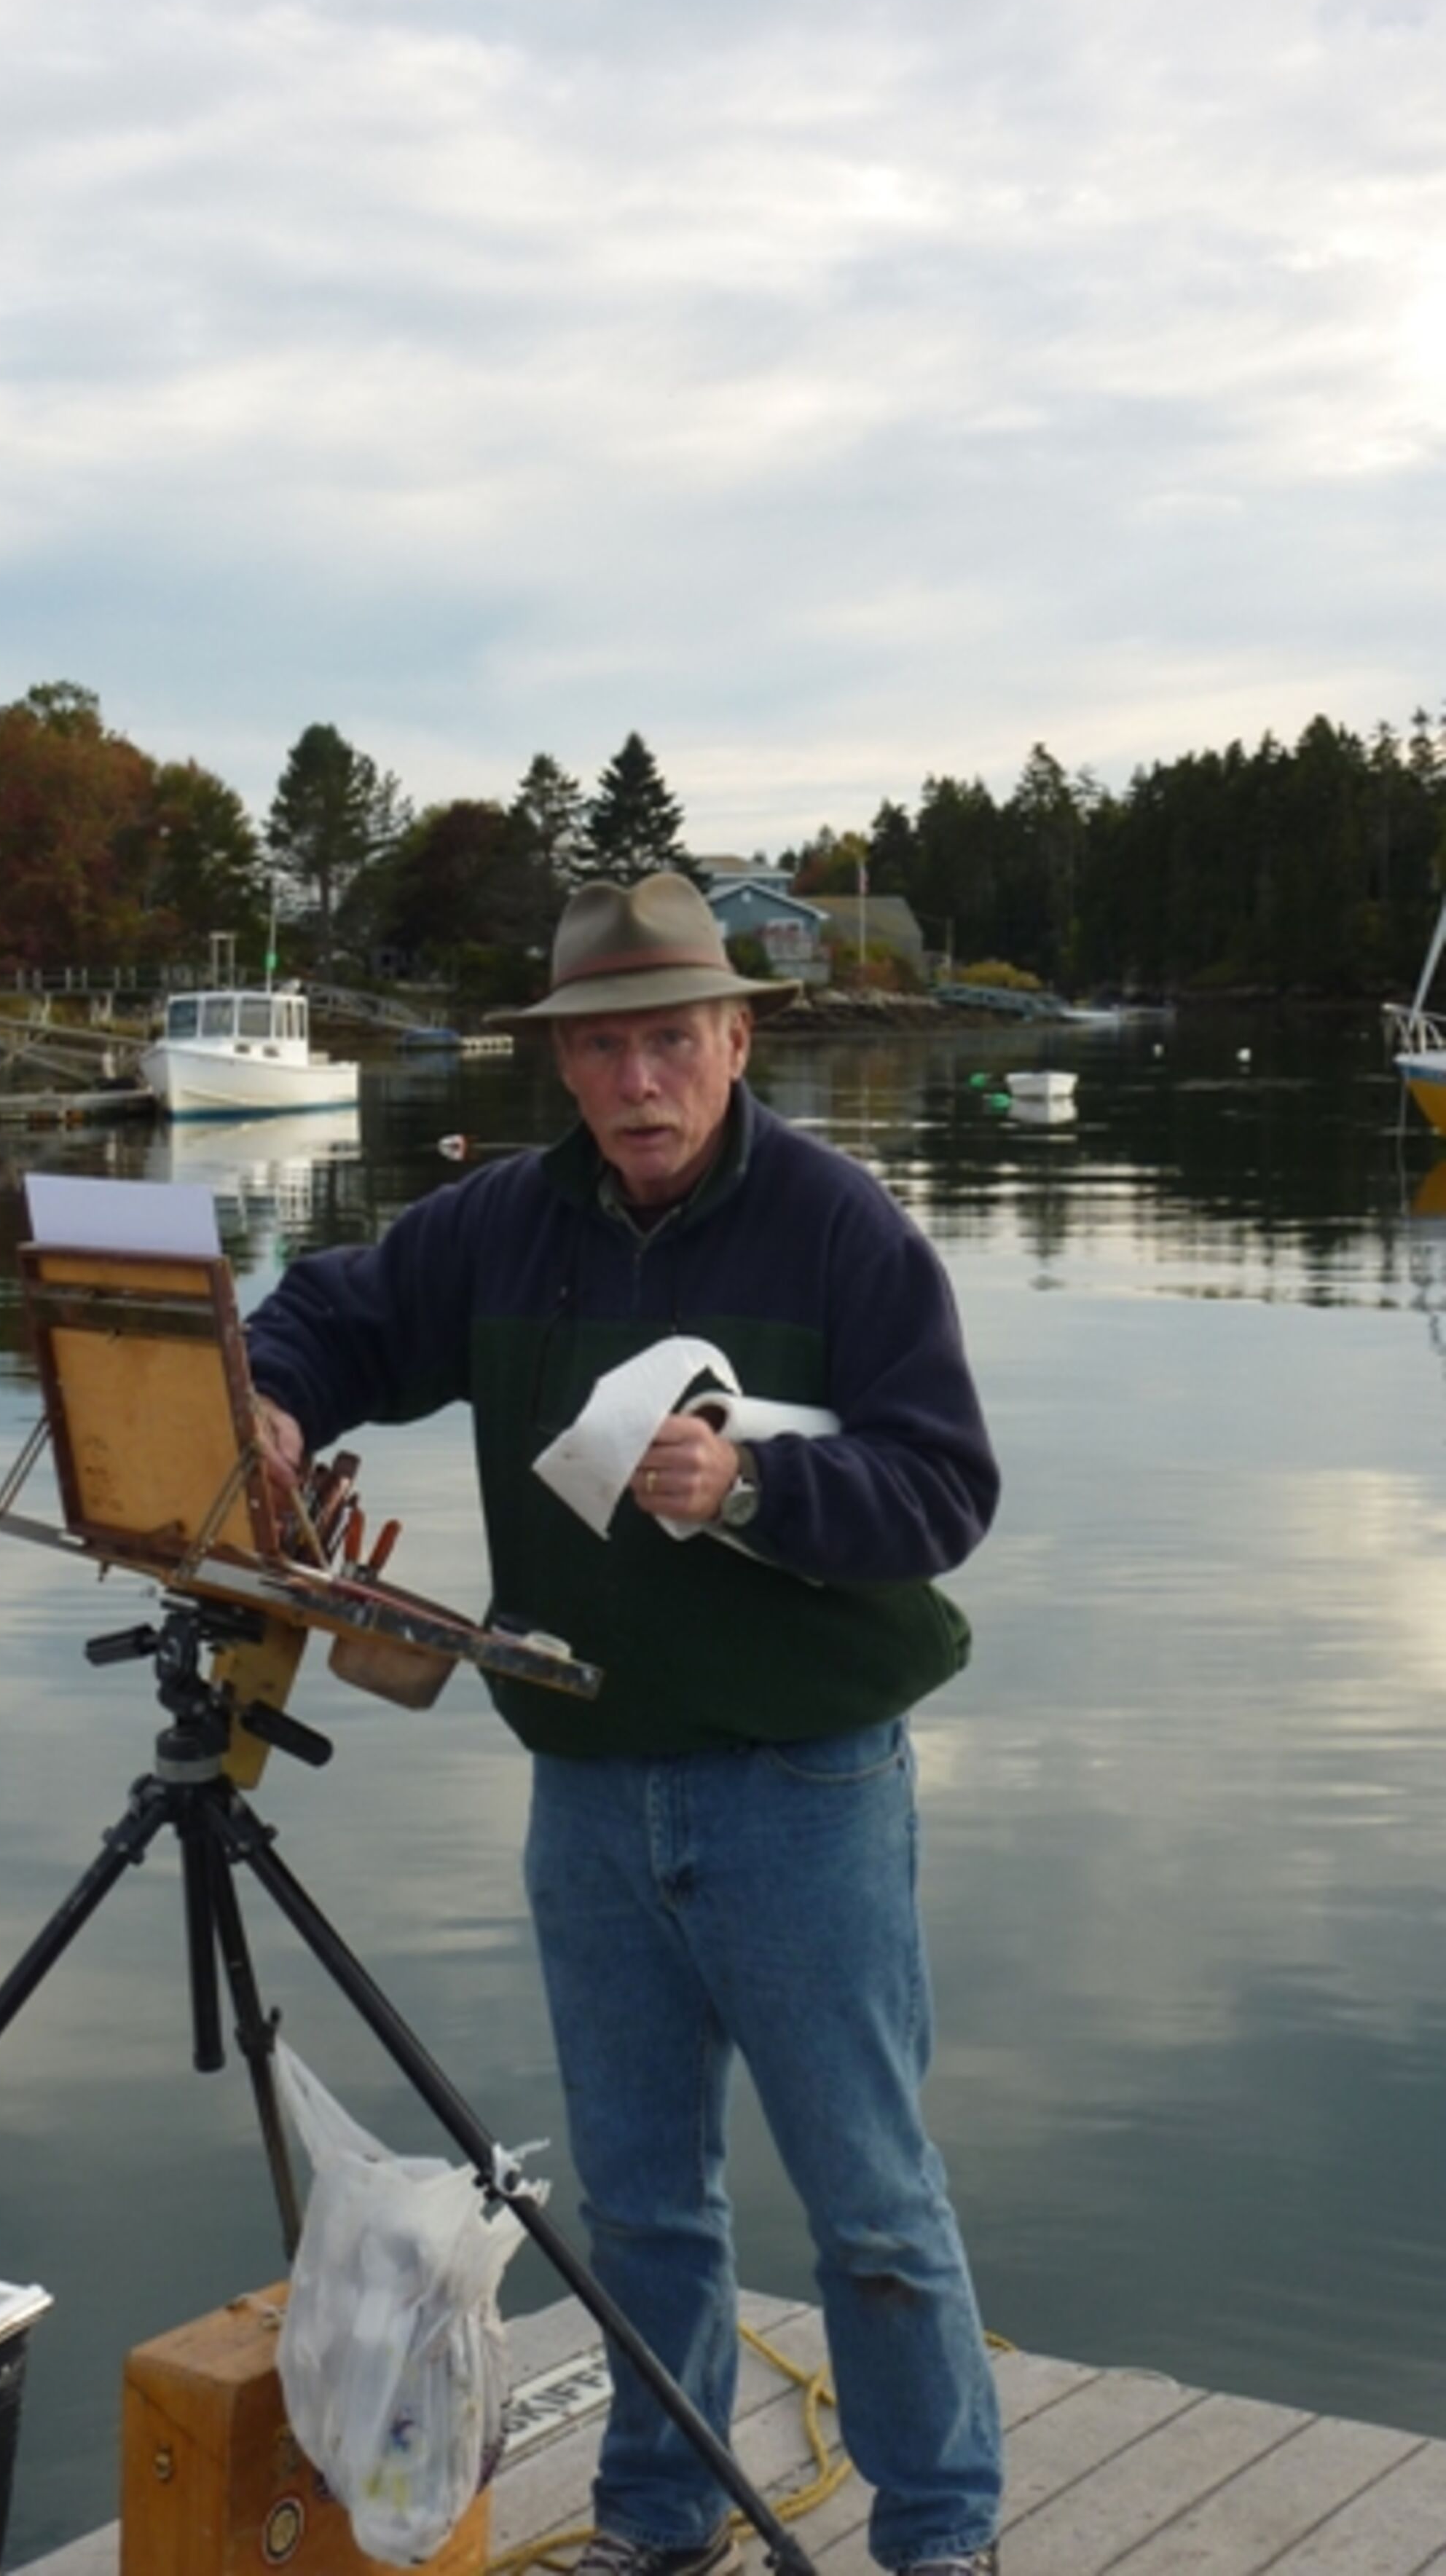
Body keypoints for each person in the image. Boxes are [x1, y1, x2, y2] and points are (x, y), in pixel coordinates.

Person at [245, 872, 1003, 2576]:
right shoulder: (502, 1223)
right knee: (641, 2203)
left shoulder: (842, 1227)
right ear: (564, 1063)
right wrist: (277, 1398)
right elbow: (338, 1308)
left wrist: (754, 1484)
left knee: (875, 2202)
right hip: (586, 1783)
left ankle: (942, 2538)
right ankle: (660, 2521)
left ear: (736, 1038)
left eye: (671, 1038)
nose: (638, 1079)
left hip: (805, 1784)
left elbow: (947, 1489)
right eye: (602, 1048)